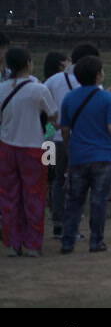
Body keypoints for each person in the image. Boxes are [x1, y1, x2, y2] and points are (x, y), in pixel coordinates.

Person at [59, 56, 111, 254]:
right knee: (98, 201)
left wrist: (69, 146)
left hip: (79, 155)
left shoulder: (69, 98)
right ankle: (96, 241)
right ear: (98, 75)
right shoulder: (107, 98)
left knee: (74, 200)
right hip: (103, 156)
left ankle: (67, 241)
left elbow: (64, 128)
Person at [0, 48, 58, 256]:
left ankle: (12, 243)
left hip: (6, 147)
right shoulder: (38, 89)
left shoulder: (2, 88)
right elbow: (53, 115)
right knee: (34, 195)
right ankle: (32, 243)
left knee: (9, 196)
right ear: (29, 63)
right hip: (34, 147)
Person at [41, 50, 72, 239]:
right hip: (60, 136)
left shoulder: (46, 83)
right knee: (61, 177)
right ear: (62, 64)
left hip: (46, 139)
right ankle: (60, 213)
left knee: (49, 177)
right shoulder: (64, 82)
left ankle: (51, 212)